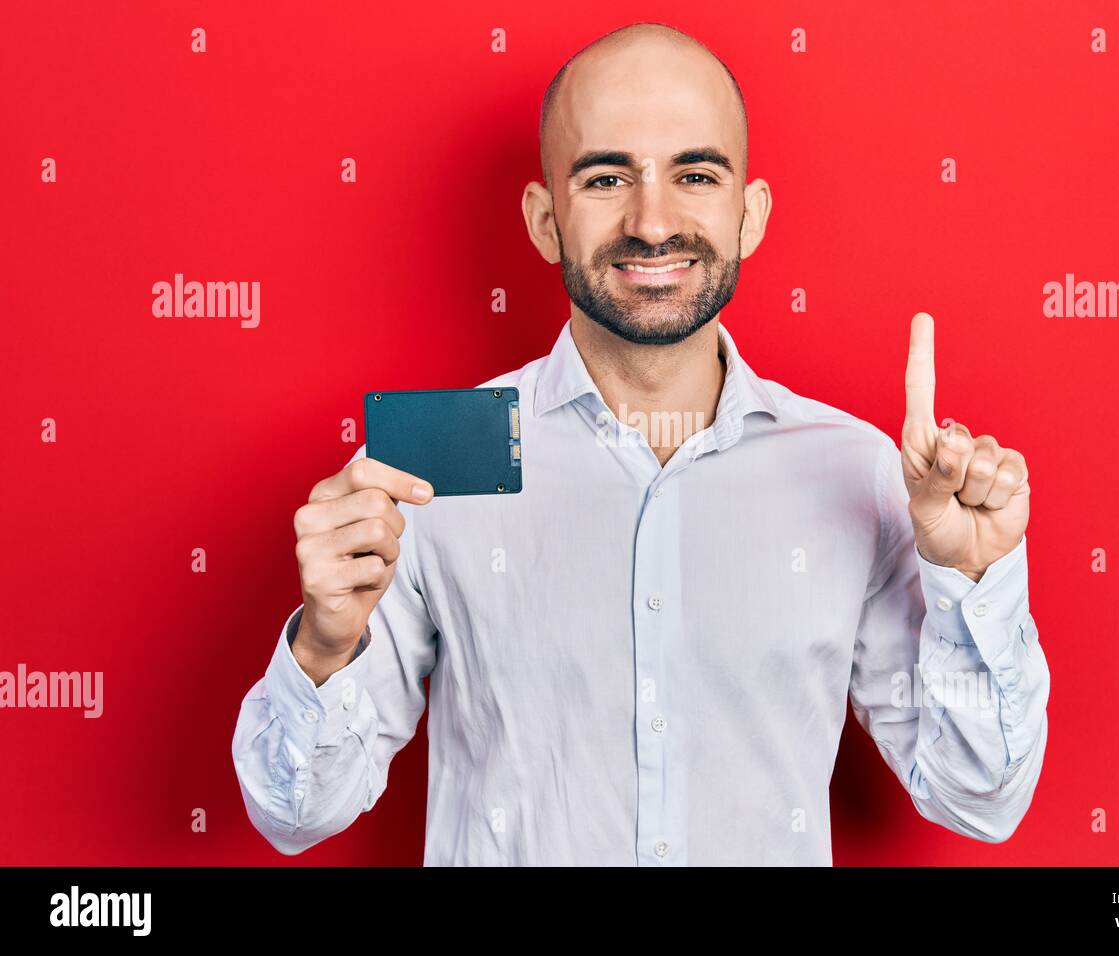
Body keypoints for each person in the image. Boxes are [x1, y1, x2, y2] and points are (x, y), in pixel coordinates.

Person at [232, 22, 1048, 866]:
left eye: (695, 174)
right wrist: (324, 646)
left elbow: (976, 798)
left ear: (750, 215)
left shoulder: (858, 471)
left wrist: (969, 579)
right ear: (547, 221)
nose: (653, 222)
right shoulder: (432, 475)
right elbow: (295, 814)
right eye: (607, 176)